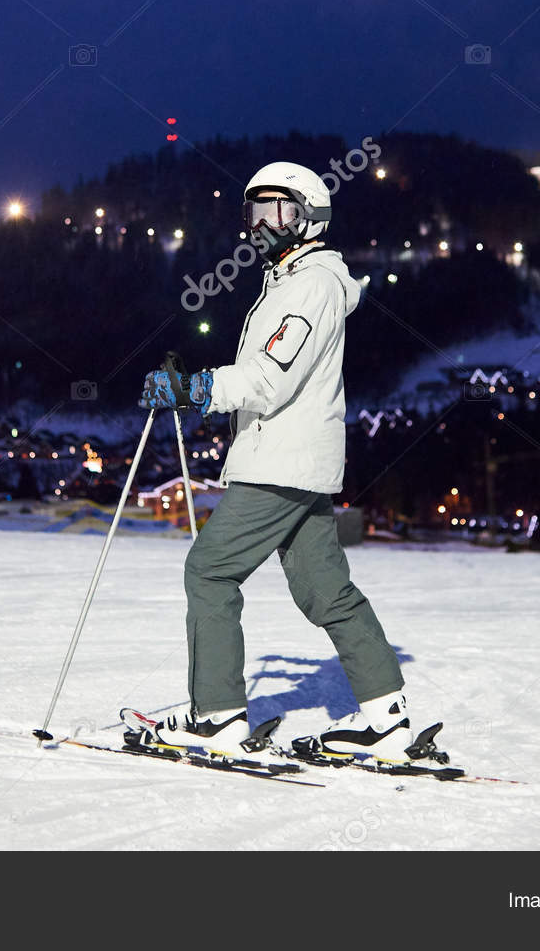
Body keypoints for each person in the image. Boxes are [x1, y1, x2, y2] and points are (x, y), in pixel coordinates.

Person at [135, 161, 417, 760]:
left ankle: (216, 716)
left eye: (278, 210)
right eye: (254, 212)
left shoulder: (309, 285)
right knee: (326, 592)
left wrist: (195, 389)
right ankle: (386, 718)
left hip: (280, 464)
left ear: (309, 215)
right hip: (301, 464)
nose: (263, 224)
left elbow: (268, 380)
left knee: (209, 572)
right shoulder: (291, 281)